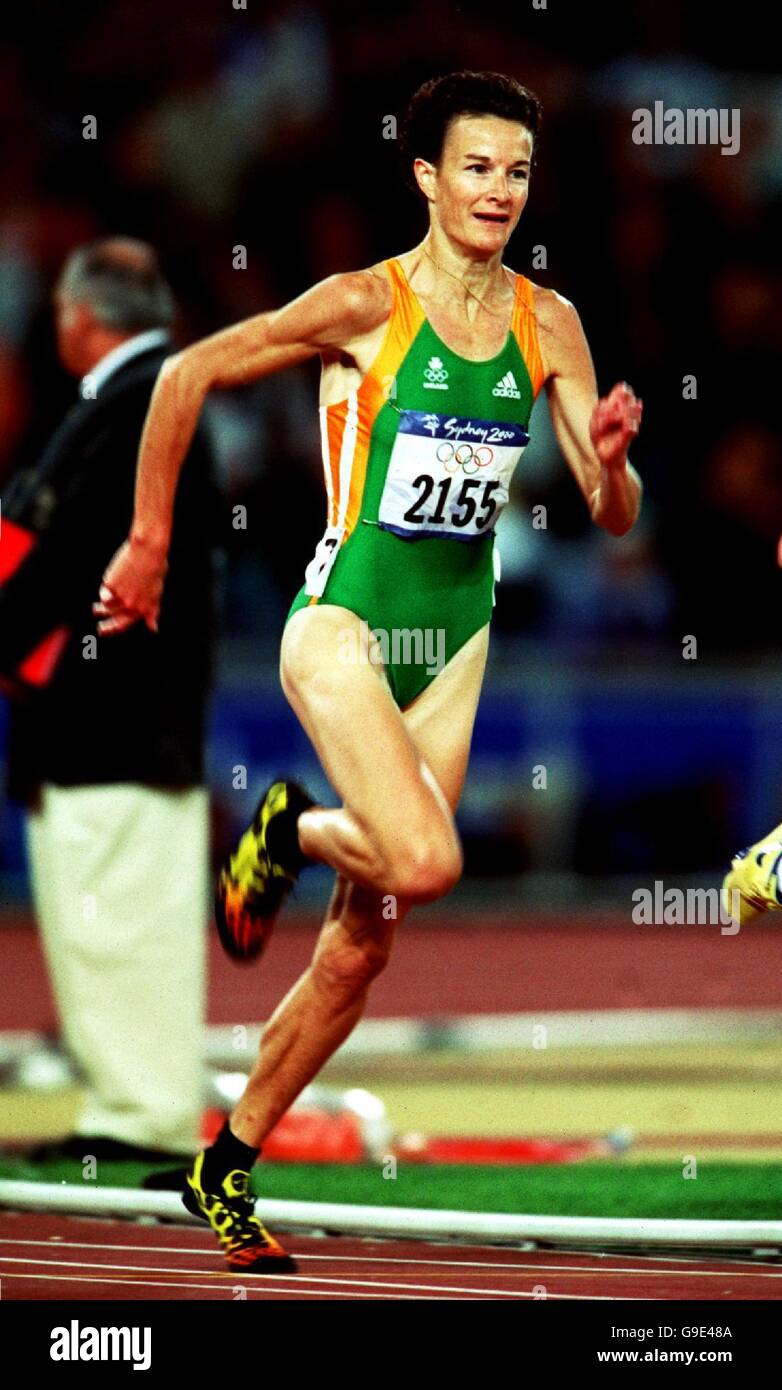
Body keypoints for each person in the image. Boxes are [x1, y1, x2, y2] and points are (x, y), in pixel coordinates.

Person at [96, 72, 643, 1271]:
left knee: (362, 943)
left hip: (456, 639)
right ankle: (289, 826)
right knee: (429, 860)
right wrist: (146, 542)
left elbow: (609, 513)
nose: (497, 190)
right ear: (426, 179)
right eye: (475, 167)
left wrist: (609, 462)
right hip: (342, 623)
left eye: (515, 170)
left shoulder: (547, 323)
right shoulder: (361, 302)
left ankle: (223, 1163)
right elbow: (182, 375)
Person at [0, 238, 216, 1164]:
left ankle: (145, 1116)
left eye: (60, 313)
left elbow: (56, 553)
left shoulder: (140, 403)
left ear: (83, 319)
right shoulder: (132, 399)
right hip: (105, 715)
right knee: (102, 918)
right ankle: (127, 1107)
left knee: (123, 915)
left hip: (115, 715)